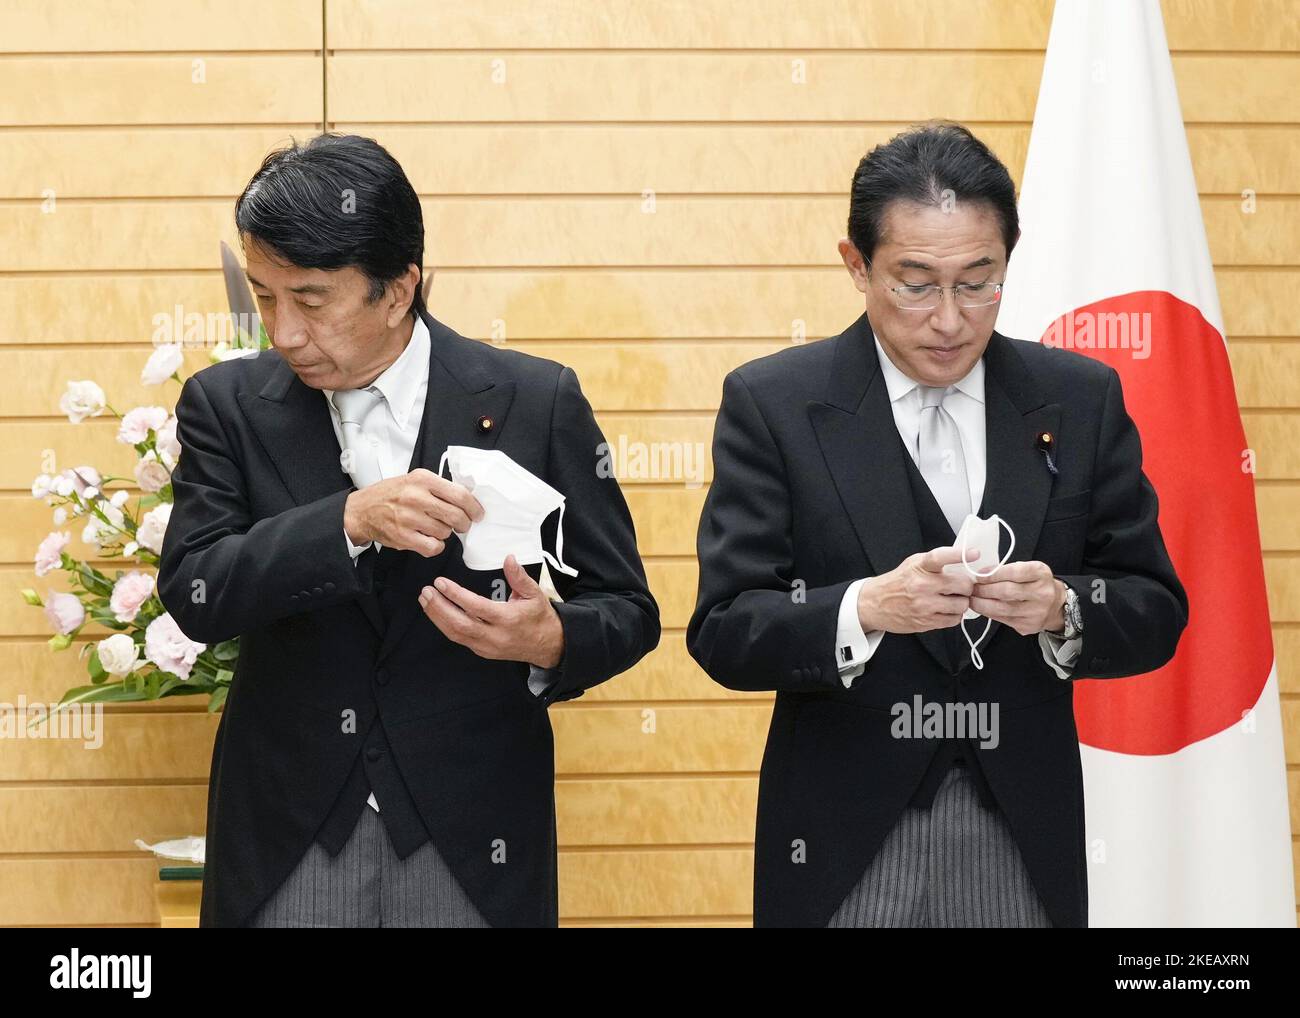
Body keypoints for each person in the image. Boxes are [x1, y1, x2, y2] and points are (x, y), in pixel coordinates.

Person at [686, 121, 1187, 927]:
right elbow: (725, 629)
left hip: (1022, 835)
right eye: (916, 284)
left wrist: (1064, 609)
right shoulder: (774, 403)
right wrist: (865, 610)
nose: (951, 319)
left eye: (978, 281)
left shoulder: (1079, 398)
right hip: (843, 843)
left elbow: (1156, 610)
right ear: (857, 266)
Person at [158, 133, 660, 927]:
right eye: (264, 297)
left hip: (472, 839)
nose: (284, 332)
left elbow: (630, 611)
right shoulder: (225, 406)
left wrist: (550, 639)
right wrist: (347, 522)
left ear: (398, 291)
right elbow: (197, 589)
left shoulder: (537, 399)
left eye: (311, 301)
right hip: (289, 837)